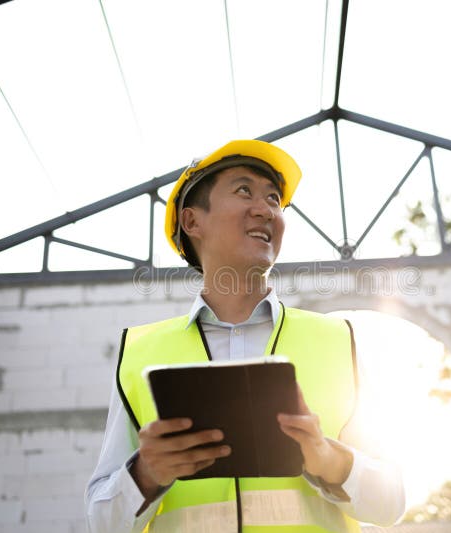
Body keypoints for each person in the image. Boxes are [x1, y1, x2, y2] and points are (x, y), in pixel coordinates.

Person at [85, 140, 405, 532]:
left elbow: (392, 503)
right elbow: (101, 524)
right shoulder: (139, 353)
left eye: (274, 199)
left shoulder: (337, 340)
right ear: (192, 222)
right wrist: (147, 473)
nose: (266, 210)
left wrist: (329, 460)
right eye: (244, 191)